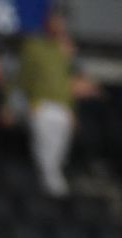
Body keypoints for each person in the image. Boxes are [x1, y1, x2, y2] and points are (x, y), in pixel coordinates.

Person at [19, 15, 81, 199]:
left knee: (58, 155)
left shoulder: (65, 50)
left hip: (62, 108)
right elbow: (24, 77)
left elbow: (68, 83)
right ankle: (49, 194)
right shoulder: (35, 46)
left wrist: (71, 109)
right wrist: (28, 101)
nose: (59, 27)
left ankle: (54, 192)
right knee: (44, 153)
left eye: (61, 24)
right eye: (55, 23)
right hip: (42, 105)